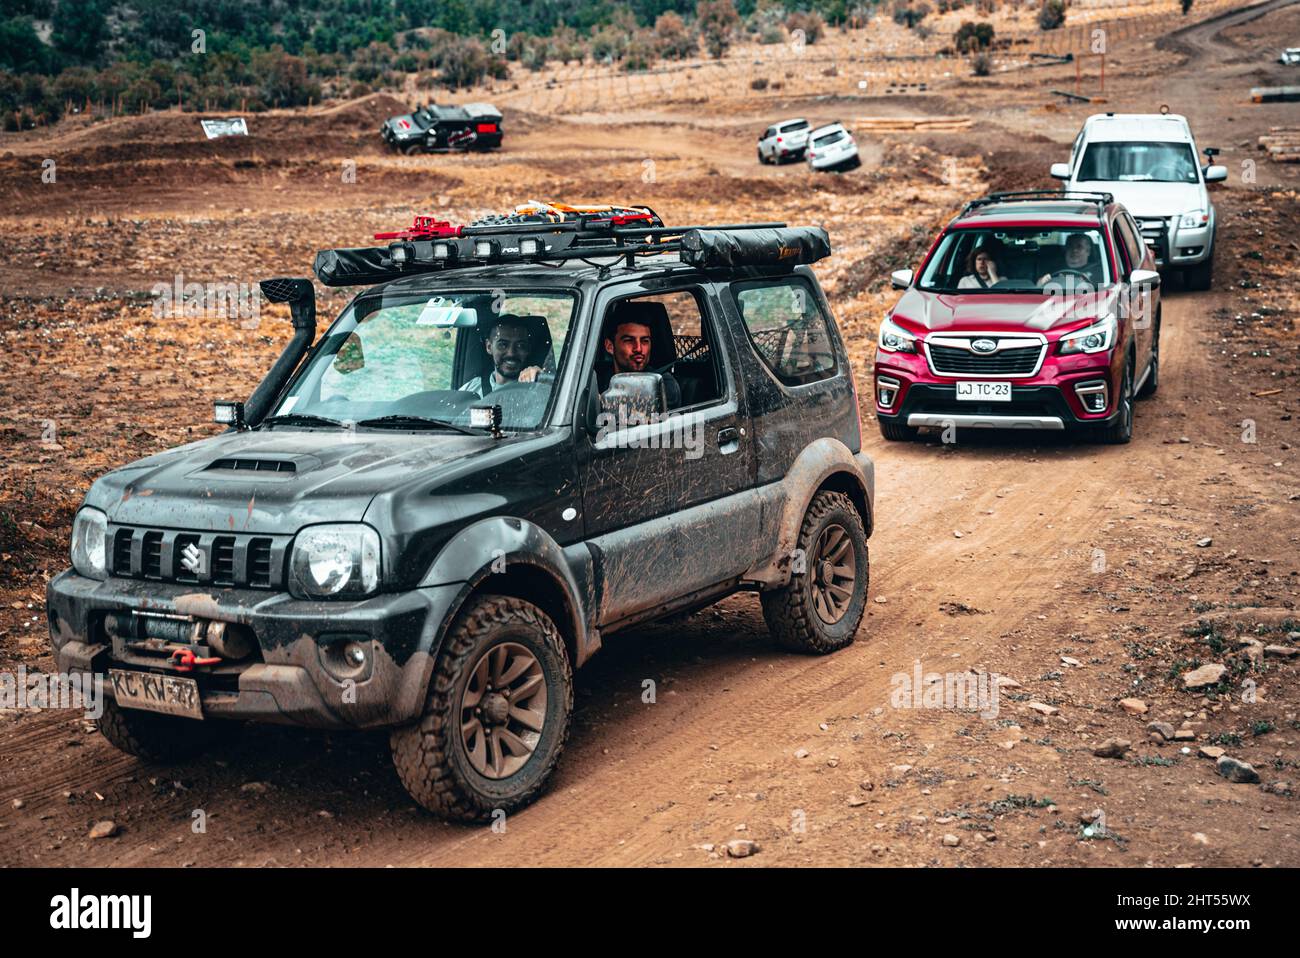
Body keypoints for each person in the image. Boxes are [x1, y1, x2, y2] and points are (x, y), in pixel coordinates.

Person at [600, 302, 681, 409]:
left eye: (645, 341)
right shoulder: (598, 378)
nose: (638, 348)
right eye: (629, 341)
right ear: (610, 346)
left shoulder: (662, 383)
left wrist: (599, 402)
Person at [458, 314, 543, 397]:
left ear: (528, 349)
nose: (511, 353)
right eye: (503, 345)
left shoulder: (534, 386)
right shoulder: (472, 389)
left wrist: (542, 378)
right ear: (489, 347)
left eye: (520, 346)